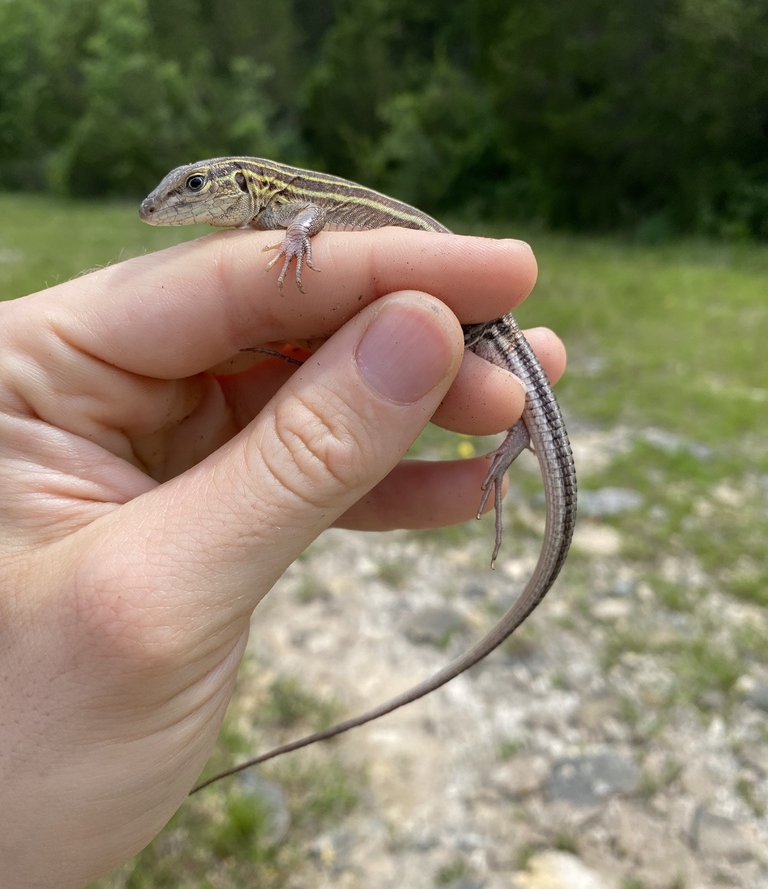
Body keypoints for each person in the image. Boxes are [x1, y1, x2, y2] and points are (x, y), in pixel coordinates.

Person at [0, 225, 566, 888]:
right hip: (474, 328)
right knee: (506, 392)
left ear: (241, 187)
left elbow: (310, 226)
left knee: (515, 396)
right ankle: (510, 444)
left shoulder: (294, 214)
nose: (165, 208)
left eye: (190, 190)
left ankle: (511, 444)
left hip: (483, 328)